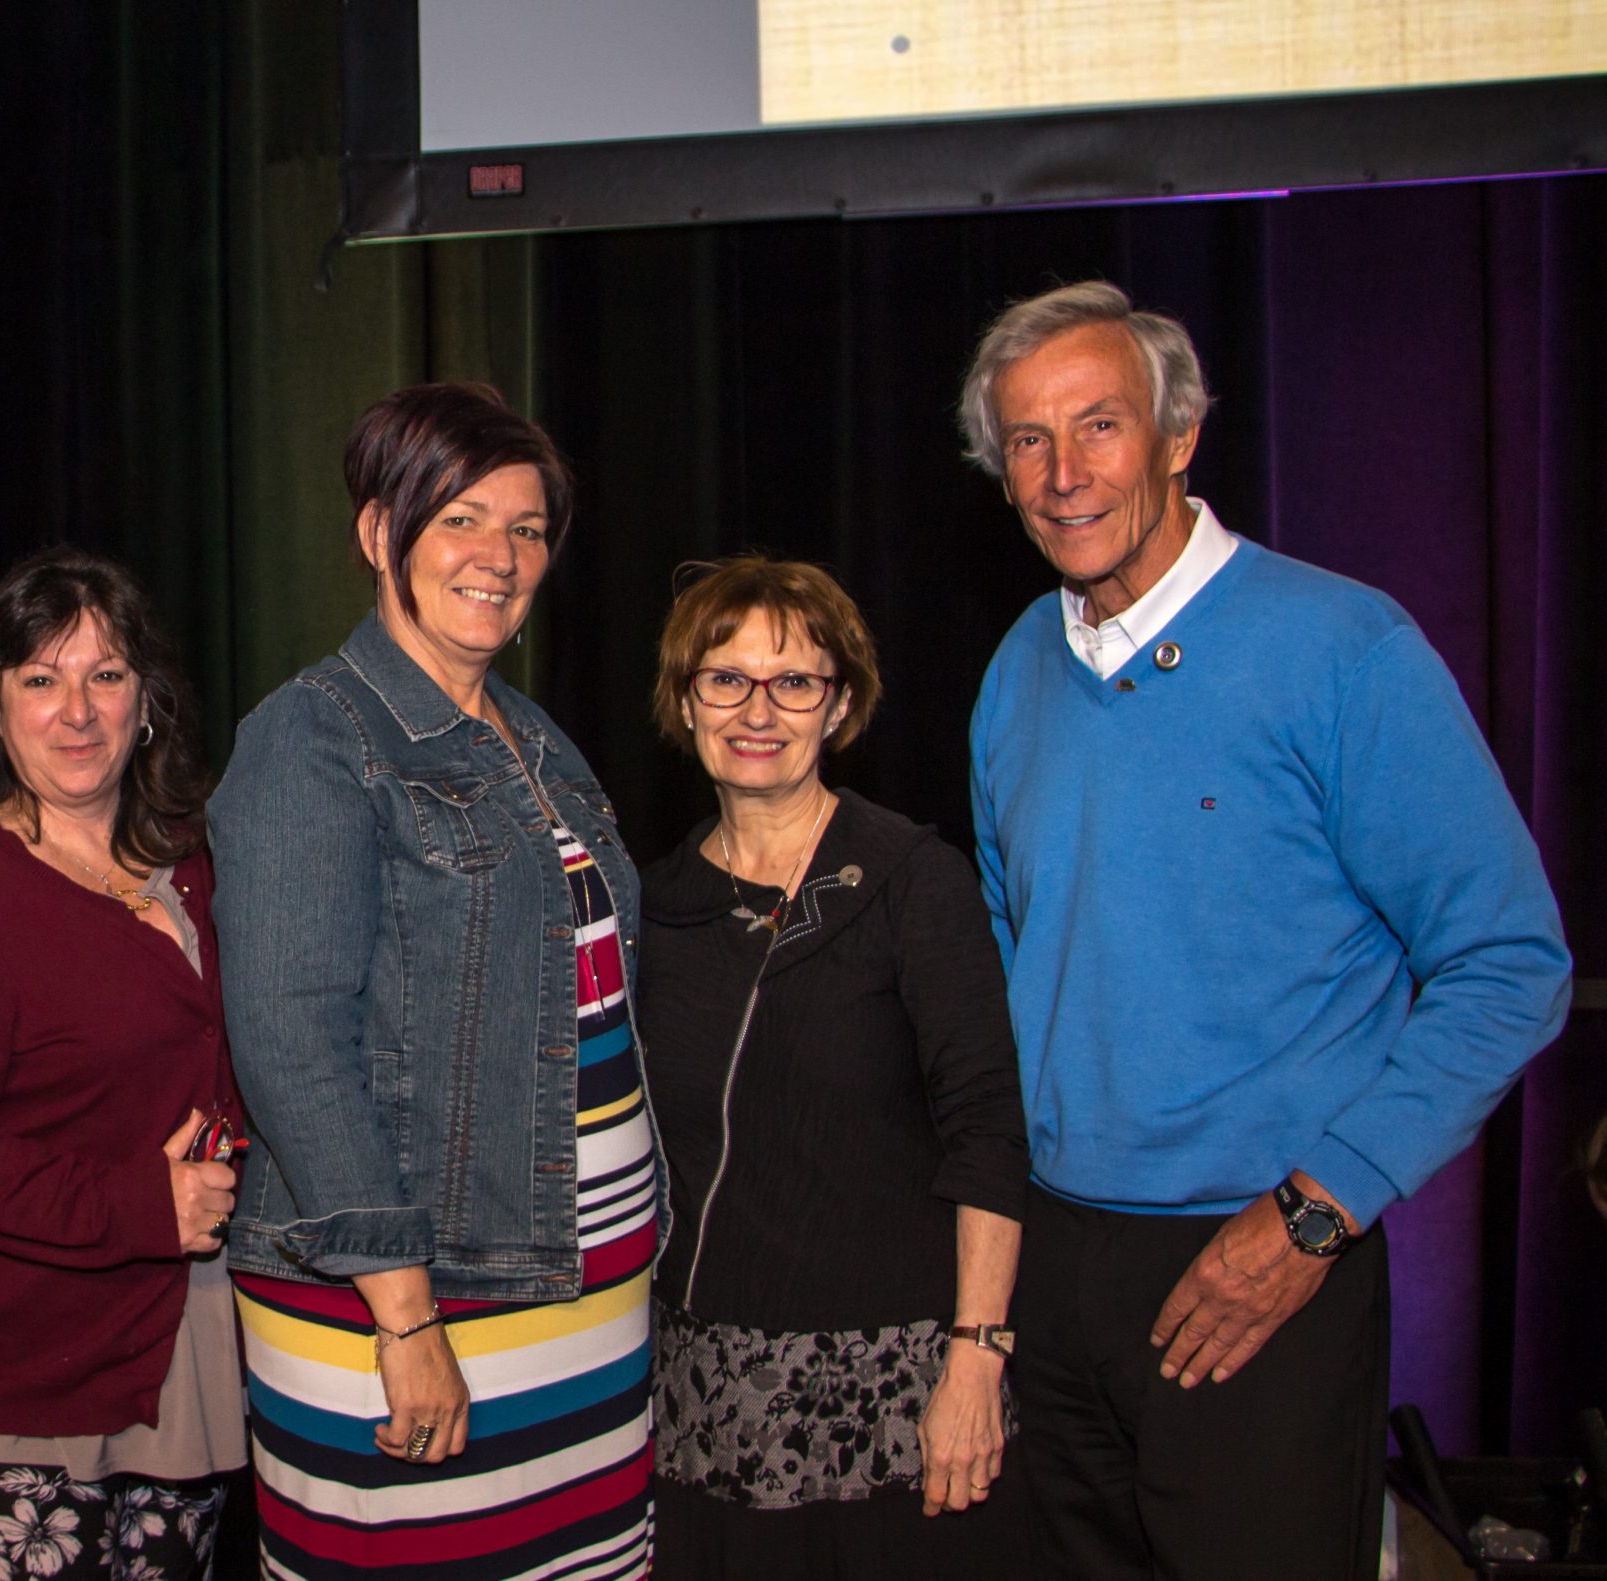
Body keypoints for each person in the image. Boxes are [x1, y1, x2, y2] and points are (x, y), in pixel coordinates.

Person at [961, 280, 1573, 1579]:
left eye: (1100, 425)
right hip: (1056, 1268)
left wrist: (1317, 1212)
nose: (1064, 474)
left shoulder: (1343, 649)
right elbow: (1016, 955)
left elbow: (1511, 963)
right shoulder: (1017, 663)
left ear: (1180, 437)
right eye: (1028, 439)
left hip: (1264, 1262)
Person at [210, 383, 662, 1579]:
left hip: (582, 1287)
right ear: (378, 534)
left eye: (526, 529)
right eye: (460, 519)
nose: (498, 558)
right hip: (415, 1294)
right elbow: (290, 1042)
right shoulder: (308, 740)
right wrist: (403, 1316)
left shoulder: (530, 732)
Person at [0, 547, 245, 1580]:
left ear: (145, 701)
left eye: (105, 676)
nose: (77, 712)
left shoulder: (197, 865)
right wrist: (138, 1208)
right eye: (40, 679)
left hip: (174, 1365)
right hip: (6, 1379)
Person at [640, 554, 1031, 1575]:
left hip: (895, 1402)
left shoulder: (911, 881)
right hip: (697, 1399)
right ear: (685, 702)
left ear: (840, 702)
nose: (757, 708)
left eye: (794, 681)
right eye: (725, 678)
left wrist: (977, 1359)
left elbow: (989, 1132)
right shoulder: (652, 907)